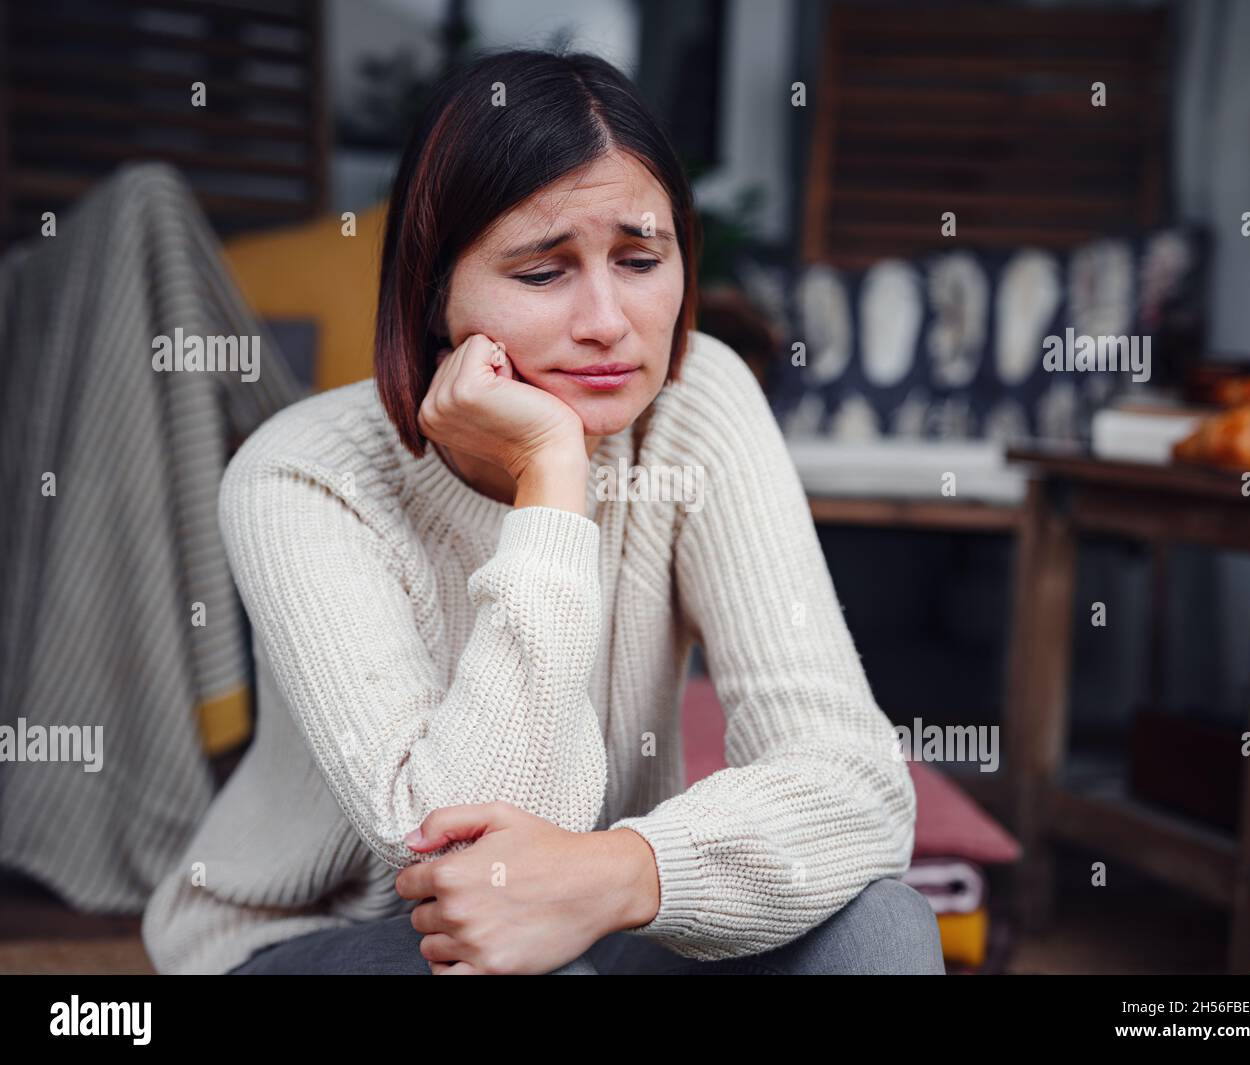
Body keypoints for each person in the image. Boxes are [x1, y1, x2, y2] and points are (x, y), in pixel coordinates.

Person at [141, 47, 944, 976]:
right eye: (541, 273)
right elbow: (458, 863)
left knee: (882, 925)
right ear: (434, 293)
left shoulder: (700, 402)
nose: (607, 320)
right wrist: (550, 482)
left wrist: (628, 869)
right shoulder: (302, 476)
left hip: (587, 915)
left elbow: (858, 785)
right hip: (334, 940)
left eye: (641, 259)